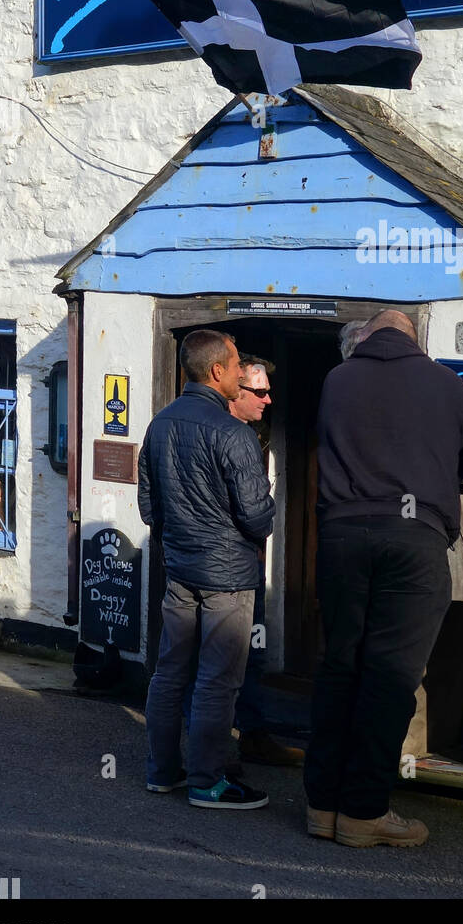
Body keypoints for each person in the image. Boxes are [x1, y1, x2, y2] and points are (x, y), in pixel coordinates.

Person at [304, 309, 463, 848]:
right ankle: (364, 812)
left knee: (340, 666)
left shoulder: (337, 378)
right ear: (415, 337)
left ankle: (322, 806)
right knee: (390, 676)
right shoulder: (446, 382)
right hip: (413, 538)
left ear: (365, 336)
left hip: (343, 535)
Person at [140, 329, 274, 810]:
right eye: (237, 363)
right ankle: (208, 782)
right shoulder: (233, 433)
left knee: (169, 672)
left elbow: (148, 507)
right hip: (228, 578)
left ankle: (162, 772)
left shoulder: (160, 423)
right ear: (217, 371)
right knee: (218, 679)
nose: (242, 372)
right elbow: (258, 516)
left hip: (179, 569)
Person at [227, 356, 304, 768]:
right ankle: (216, 751)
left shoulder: (247, 435)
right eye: (259, 391)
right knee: (223, 655)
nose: (268, 399)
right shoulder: (226, 436)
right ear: (232, 390)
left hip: (240, 563)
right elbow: (255, 513)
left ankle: (251, 735)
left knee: (252, 651)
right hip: (229, 567)